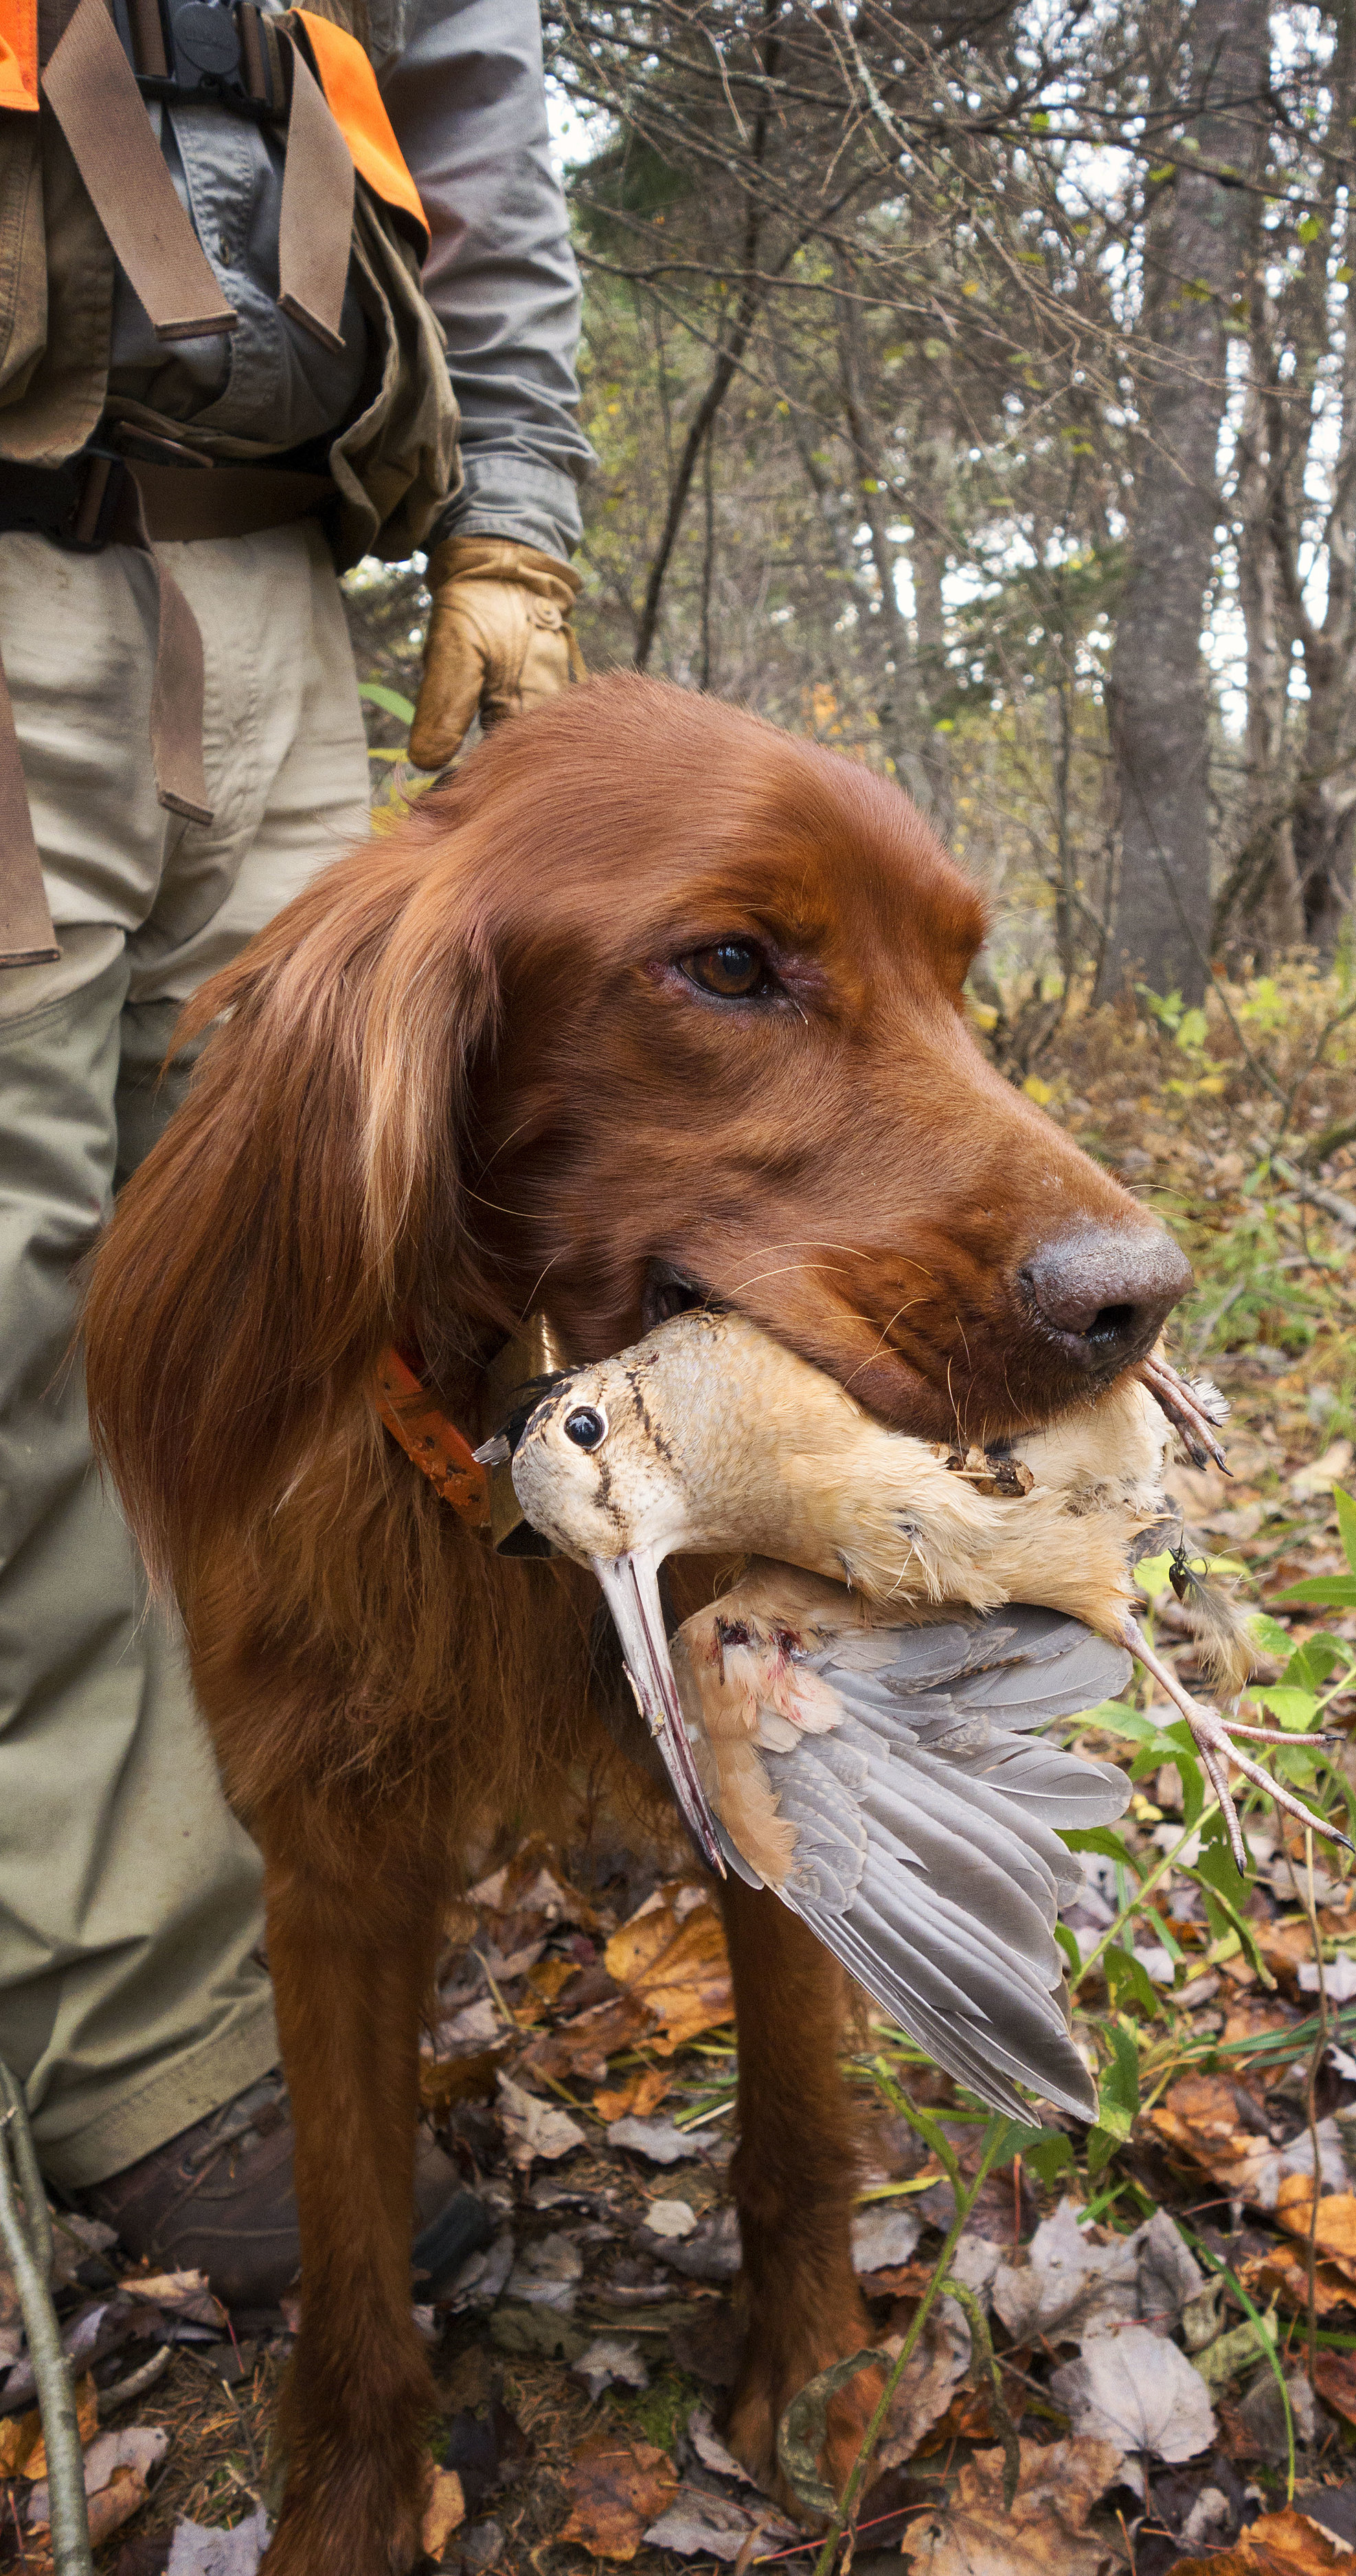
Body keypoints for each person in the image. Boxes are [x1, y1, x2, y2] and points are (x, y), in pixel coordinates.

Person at [0, 0, 594, 2304]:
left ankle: (221, 1980)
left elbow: (477, 136)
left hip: (272, 597)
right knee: (14, 1331)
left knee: (278, 1313)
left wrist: (509, 520)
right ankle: (129, 2052)